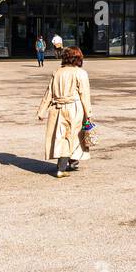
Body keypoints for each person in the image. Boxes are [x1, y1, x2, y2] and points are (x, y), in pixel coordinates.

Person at [36, 47, 92, 177]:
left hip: (57, 108)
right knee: (71, 136)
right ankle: (62, 168)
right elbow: (85, 95)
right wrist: (88, 113)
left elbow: (49, 92)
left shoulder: (57, 72)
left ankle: (71, 161)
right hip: (74, 108)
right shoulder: (80, 73)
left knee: (60, 136)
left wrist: (41, 110)